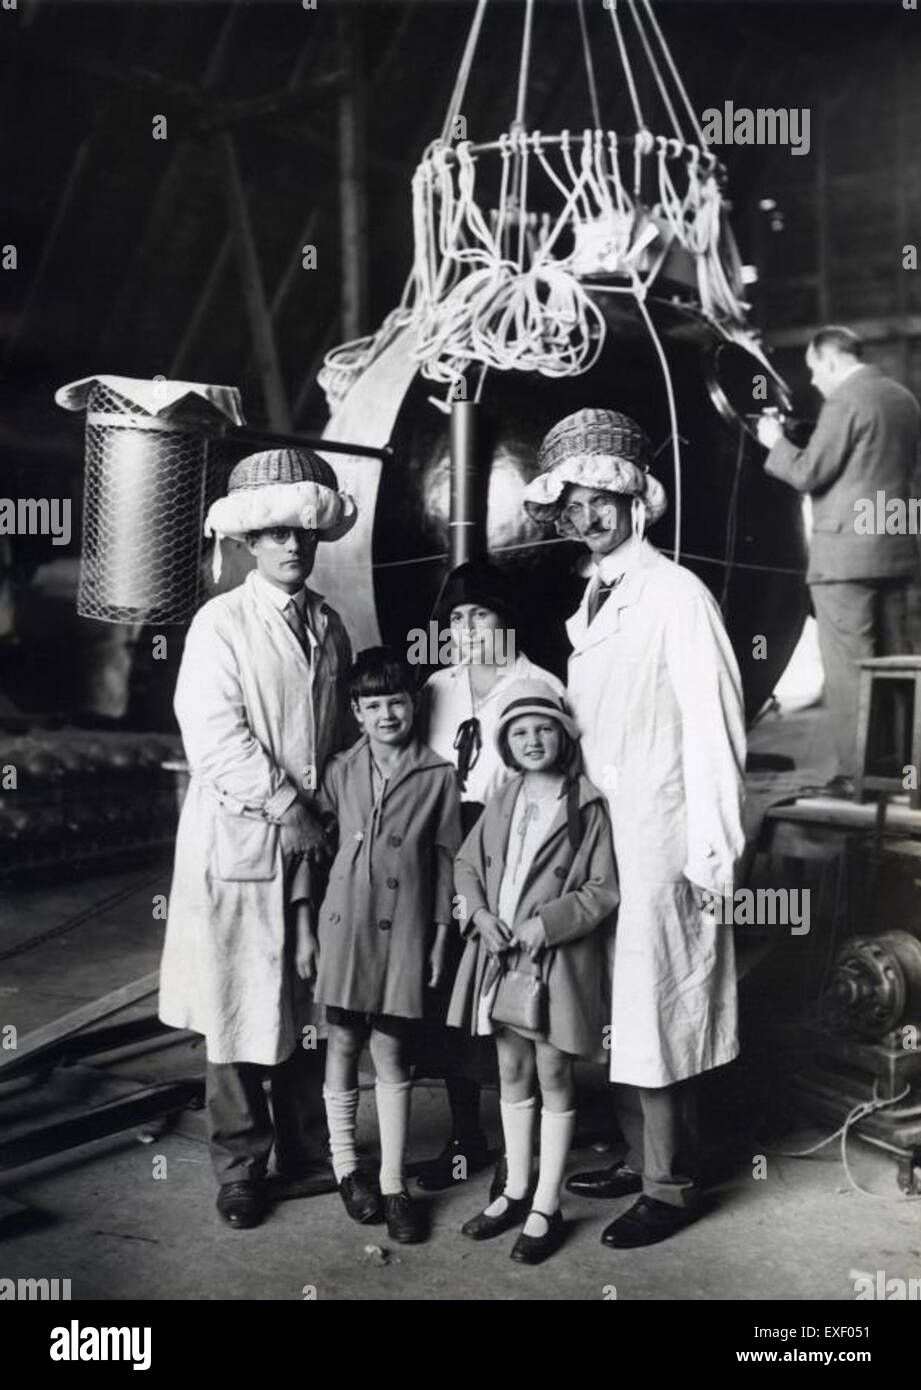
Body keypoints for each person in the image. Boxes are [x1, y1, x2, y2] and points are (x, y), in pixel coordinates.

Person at [522, 408, 747, 1248]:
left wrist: (713, 850)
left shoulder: (677, 595)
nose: (589, 515)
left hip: (664, 832)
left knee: (658, 1002)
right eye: (573, 503)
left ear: (634, 499)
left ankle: (672, 1183)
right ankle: (635, 1154)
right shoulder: (597, 592)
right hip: (605, 832)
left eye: (601, 498)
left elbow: (715, 730)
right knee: (616, 1001)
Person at [158, 448, 357, 1230]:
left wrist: (338, 807)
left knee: (305, 1000)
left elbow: (337, 733)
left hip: (310, 843)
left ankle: (309, 1155)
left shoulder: (328, 624)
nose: (291, 546)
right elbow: (215, 738)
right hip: (242, 840)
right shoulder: (221, 623)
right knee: (237, 1001)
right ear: (246, 542)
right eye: (274, 533)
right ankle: (241, 1166)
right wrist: (288, 805)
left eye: (302, 532)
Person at [448, 680, 617, 1265]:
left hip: (558, 959)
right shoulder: (505, 798)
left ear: (564, 734)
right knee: (511, 1066)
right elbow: (467, 863)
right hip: (500, 954)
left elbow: (602, 889)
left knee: (554, 1071)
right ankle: (516, 1189)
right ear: (507, 745)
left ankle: (548, 1202)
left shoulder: (585, 805)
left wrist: (550, 922)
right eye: (519, 733)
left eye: (544, 728)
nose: (533, 740)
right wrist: (478, 912)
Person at [412, 559, 567, 1194]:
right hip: (442, 847)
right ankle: (463, 1134)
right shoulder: (436, 688)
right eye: (457, 618)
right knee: (448, 997)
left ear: (507, 619)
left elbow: (556, 784)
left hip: (510, 850)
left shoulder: (541, 685)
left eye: (481, 614)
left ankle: (517, 1148)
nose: (468, 628)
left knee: (507, 1001)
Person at [311, 647, 462, 1244]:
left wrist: (439, 938)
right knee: (343, 1040)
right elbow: (316, 848)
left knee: (394, 1053)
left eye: (395, 702)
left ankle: (395, 1183)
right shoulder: (340, 770)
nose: (386, 715)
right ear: (356, 712)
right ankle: (349, 1168)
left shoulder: (437, 775)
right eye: (372, 705)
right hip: (345, 927)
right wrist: (306, 927)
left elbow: (448, 864)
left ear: (413, 704)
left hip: (404, 931)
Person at [757, 327, 921, 794]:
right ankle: (904, 771)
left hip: (845, 559)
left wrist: (774, 441)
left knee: (850, 670)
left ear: (830, 361)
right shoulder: (903, 398)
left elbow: (810, 472)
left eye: (814, 371)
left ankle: (857, 777)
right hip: (895, 549)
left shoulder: (846, 400)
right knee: (895, 664)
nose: (813, 382)